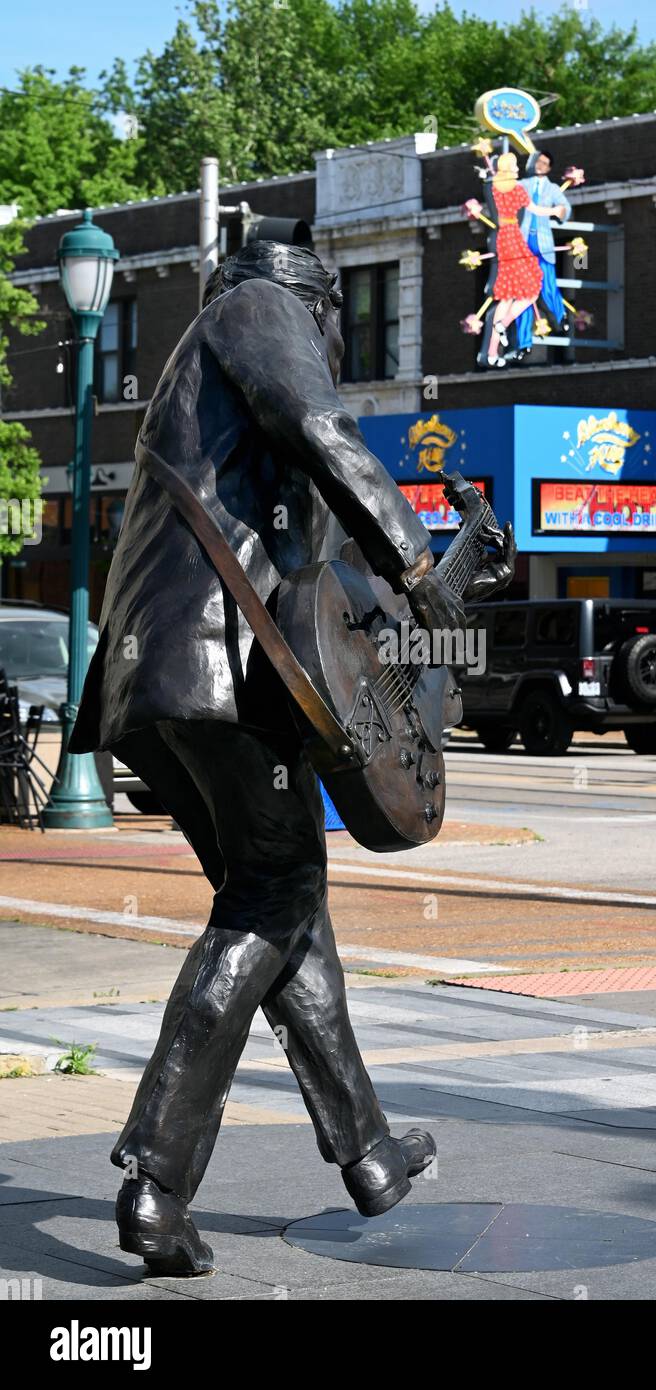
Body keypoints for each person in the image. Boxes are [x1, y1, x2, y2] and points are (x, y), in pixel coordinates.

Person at [70, 240, 514, 1276]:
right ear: (312, 304)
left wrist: (441, 578)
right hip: (218, 674)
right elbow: (324, 428)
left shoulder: (217, 402)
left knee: (290, 908)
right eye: (333, 326)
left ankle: (367, 1152)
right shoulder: (257, 304)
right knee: (268, 900)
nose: (328, 347)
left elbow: (331, 593)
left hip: (169, 684)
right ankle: (157, 1176)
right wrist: (418, 553)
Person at [484, 152, 563, 367]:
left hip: (504, 237)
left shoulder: (494, 188)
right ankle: (505, 324)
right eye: (515, 166)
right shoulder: (517, 189)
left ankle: (492, 352)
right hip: (514, 238)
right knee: (532, 289)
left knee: (506, 297)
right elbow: (535, 209)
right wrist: (555, 210)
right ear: (508, 168)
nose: (519, 169)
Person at [513, 150, 570, 353]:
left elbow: (565, 207)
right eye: (538, 161)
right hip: (523, 242)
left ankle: (560, 316)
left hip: (543, 242)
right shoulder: (522, 185)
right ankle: (524, 342)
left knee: (548, 284)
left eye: (545, 163)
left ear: (549, 168)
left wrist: (561, 211)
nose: (540, 165)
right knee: (523, 295)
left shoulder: (552, 189)